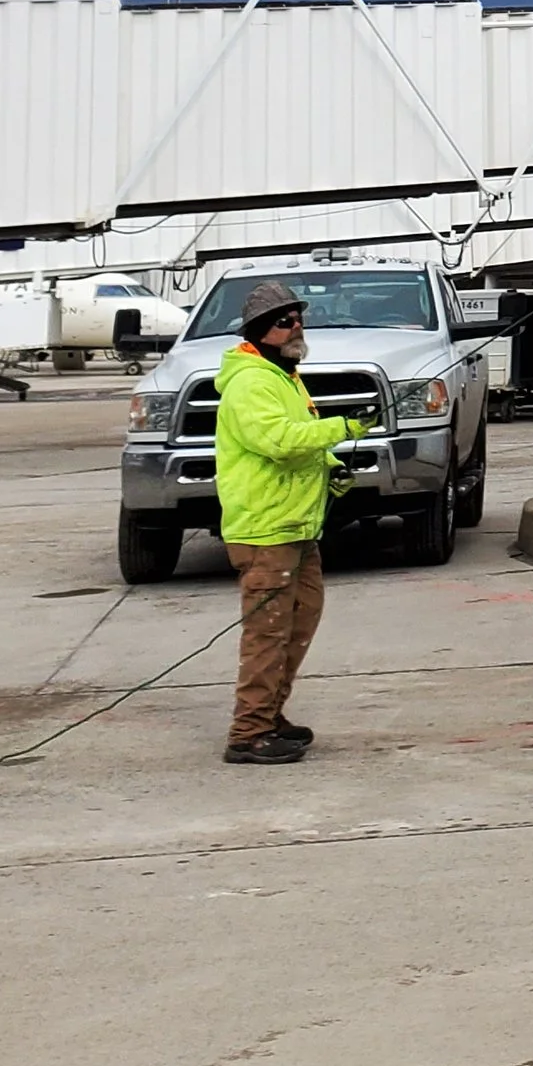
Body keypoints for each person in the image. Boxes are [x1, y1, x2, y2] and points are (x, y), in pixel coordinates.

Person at [213, 278, 351, 765]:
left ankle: (269, 716)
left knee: (299, 622)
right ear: (257, 332)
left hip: (297, 528)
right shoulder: (251, 382)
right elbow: (280, 440)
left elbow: (301, 441)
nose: (296, 327)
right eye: (283, 321)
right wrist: (344, 427)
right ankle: (248, 733)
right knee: (268, 633)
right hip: (266, 532)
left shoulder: (285, 375)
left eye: (297, 318)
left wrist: (333, 467)